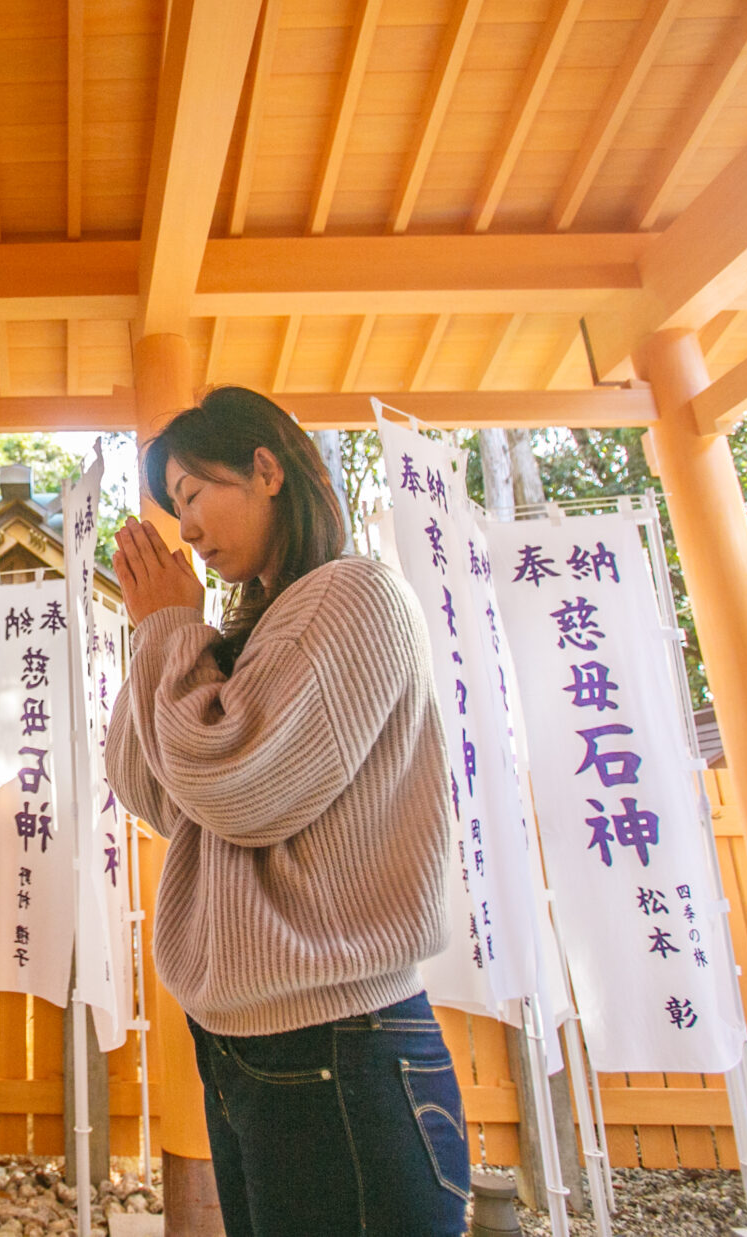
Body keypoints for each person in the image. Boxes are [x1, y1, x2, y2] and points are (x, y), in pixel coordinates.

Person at [106, 386, 467, 1236]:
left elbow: (237, 784)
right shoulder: (256, 628)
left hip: (338, 1043)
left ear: (265, 468)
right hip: (257, 1046)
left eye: (192, 494)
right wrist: (158, 631)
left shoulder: (351, 596)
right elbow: (158, 790)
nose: (185, 529)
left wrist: (169, 630)